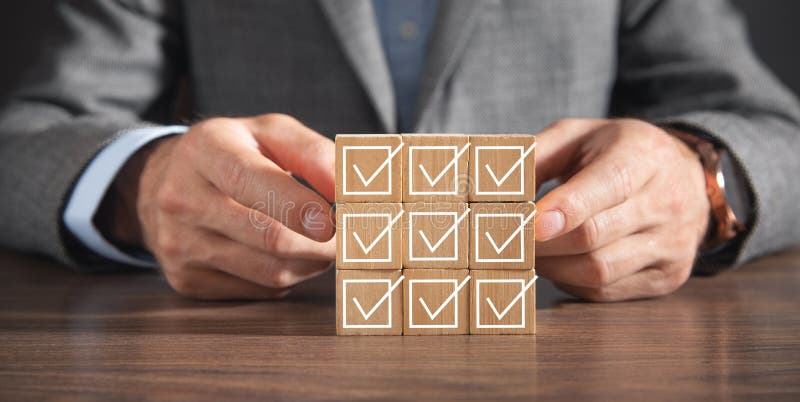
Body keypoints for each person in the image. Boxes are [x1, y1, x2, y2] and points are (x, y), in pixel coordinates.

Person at [1, 0, 798, 301]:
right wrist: (141, 187)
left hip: (563, 355)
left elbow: (776, 131)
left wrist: (702, 184)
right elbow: (25, 143)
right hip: (263, 354)